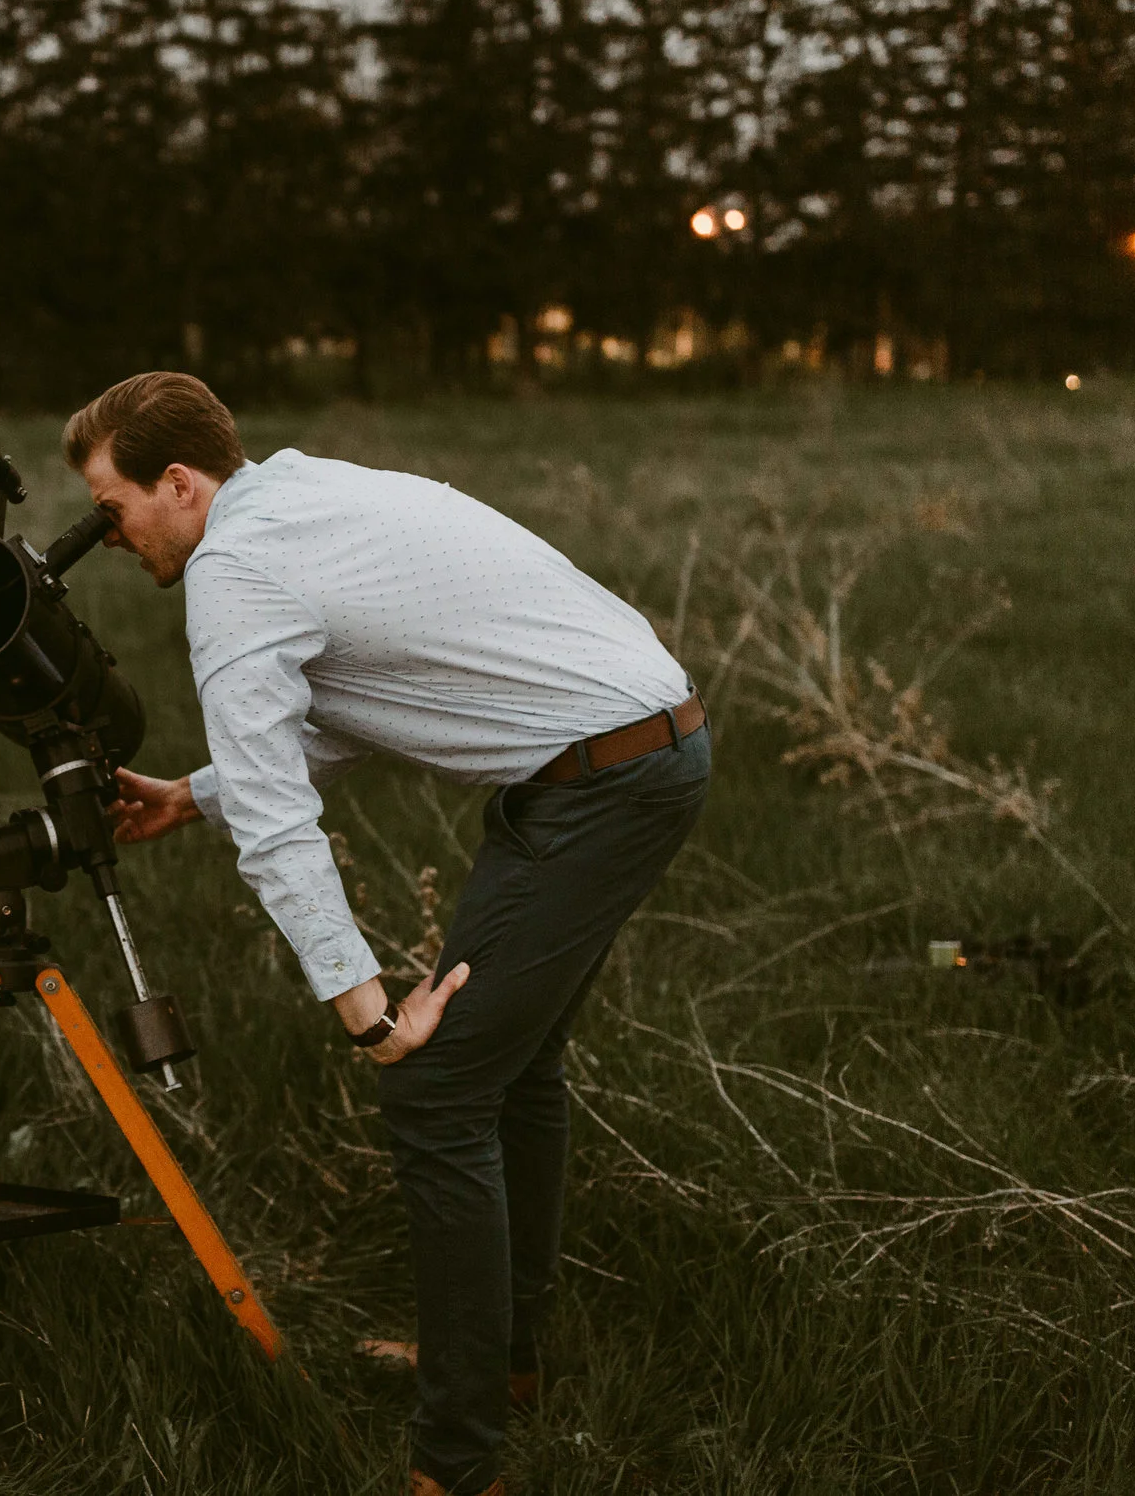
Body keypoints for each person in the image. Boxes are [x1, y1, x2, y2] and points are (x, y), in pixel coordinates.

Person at [66, 372, 710, 1496]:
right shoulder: (303, 496)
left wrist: (361, 1007)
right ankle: (500, 1363)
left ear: (177, 483)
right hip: (623, 754)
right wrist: (191, 794)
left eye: (111, 508)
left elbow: (281, 816)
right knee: (509, 1071)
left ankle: (457, 1464)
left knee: (436, 1088)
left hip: (601, 781)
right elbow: (349, 702)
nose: (104, 535)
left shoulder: (233, 567)